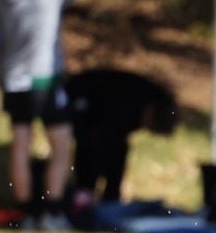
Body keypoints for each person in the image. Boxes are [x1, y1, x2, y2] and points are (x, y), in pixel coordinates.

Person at [0, 0, 91, 231]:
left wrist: (0, 73)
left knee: (20, 143)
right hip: (44, 78)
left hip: (13, 78)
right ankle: (52, 211)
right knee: (60, 144)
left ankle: (23, 211)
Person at [65, 67, 178, 205]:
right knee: (93, 148)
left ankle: (108, 198)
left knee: (116, 149)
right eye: (150, 128)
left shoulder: (142, 99)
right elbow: (104, 134)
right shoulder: (130, 103)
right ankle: (85, 194)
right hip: (84, 102)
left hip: (102, 116)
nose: (145, 130)